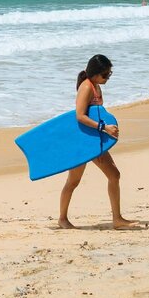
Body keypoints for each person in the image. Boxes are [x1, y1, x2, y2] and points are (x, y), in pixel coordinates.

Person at [58, 55, 140, 230]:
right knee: (73, 182)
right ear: (95, 73)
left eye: (109, 74)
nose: (108, 77)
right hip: (83, 141)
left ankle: (117, 219)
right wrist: (104, 128)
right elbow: (80, 116)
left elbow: (96, 113)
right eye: (105, 74)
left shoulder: (96, 86)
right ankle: (62, 219)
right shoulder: (86, 87)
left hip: (93, 140)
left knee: (114, 175)